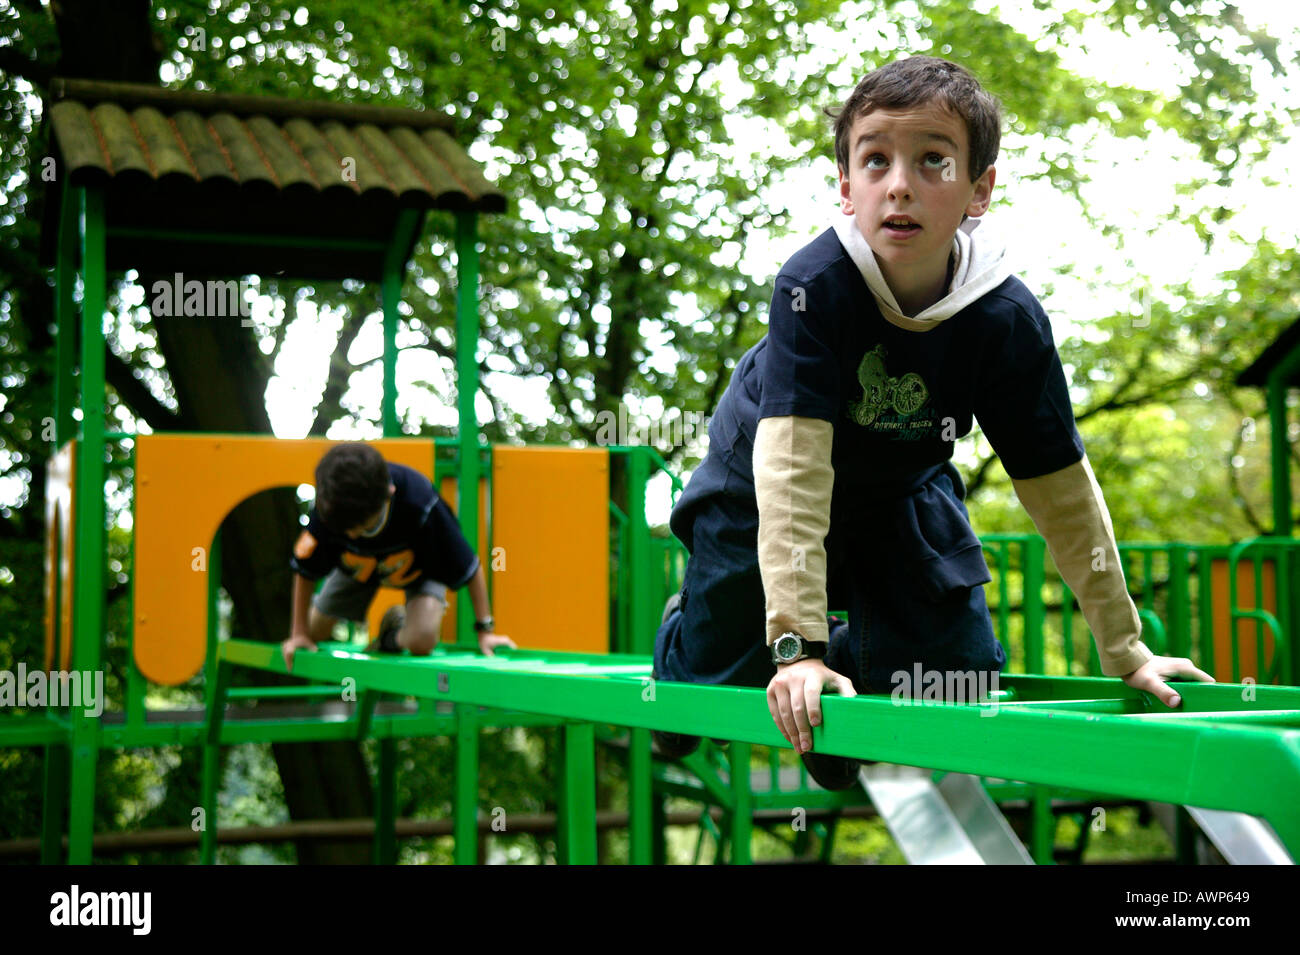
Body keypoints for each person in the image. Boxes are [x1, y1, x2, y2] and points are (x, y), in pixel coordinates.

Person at [652, 56, 1212, 788]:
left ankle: (852, 658)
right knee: (707, 693)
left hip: (899, 487)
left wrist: (1124, 644)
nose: (900, 184)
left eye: (933, 161)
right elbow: (791, 474)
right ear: (846, 188)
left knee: (950, 687)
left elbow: (1062, 492)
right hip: (757, 490)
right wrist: (796, 651)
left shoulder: (1004, 318)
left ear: (979, 189)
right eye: (875, 160)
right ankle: (686, 633)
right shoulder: (814, 288)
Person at [280, 442, 514, 670]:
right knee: (313, 632)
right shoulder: (330, 509)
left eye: (361, 526)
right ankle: (310, 625)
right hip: (358, 566)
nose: (352, 533)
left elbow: (471, 568)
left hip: (419, 567)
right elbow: (304, 568)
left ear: (389, 494)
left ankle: (390, 635)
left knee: (421, 641)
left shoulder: (422, 504)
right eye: (345, 529)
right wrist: (298, 633)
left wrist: (486, 633)